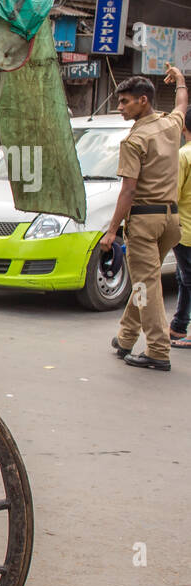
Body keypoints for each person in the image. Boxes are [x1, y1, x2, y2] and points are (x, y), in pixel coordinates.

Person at [103, 65, 187, 371]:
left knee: (147, 285)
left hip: (144, 221)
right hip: (170, 221)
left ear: (143, 100)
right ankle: (126, 336)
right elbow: (181, 105)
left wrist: (111, 231)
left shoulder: (134, 141)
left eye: (125, 102)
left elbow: (128, 190)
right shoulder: (170, 125)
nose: (120, 107)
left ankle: (157, 350)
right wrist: (179, 80)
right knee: (144, 281)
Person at [169, 123, 191, 350]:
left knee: (187, 279)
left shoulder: (183, 155)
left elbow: (174, 195)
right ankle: (179, 325)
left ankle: (181, 326)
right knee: (183, 279)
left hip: (186, 229)